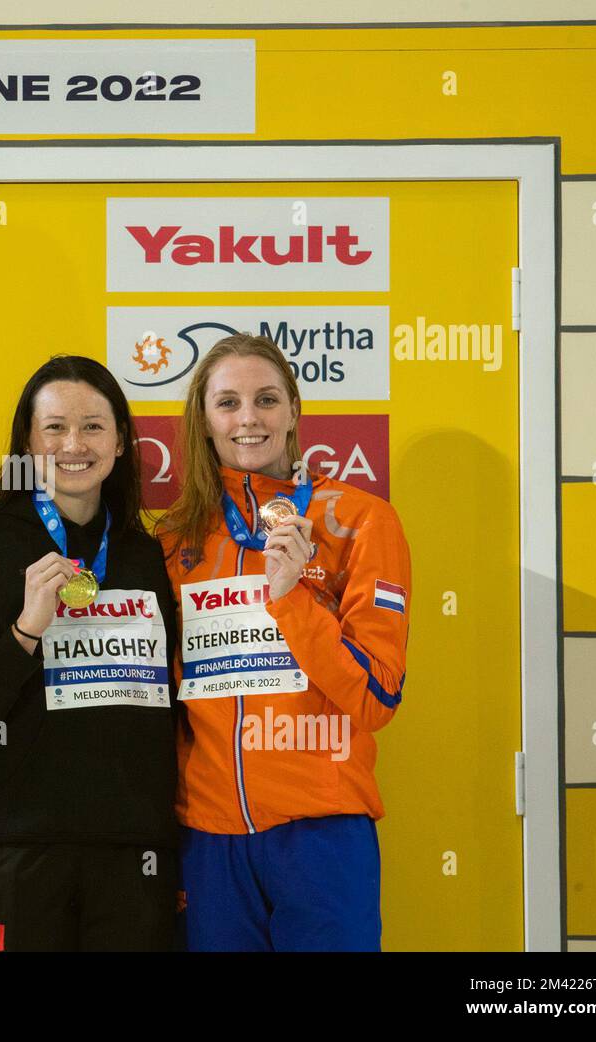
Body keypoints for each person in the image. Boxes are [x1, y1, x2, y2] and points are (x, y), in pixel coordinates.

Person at [156, 332, 411, 952]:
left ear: (294, 411)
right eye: (228, 403)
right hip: (209, 838)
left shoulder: (360, 519)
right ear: (204, 420)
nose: (249, 418)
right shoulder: (173, 538)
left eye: (267, 399)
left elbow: (377, 696)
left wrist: (291, 598)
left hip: (323, 833)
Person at [0, 355, 178, 952]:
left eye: (94, 426)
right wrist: (24, 633)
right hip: (18, 849)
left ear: (120, 442)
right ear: (28, 443)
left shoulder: (152, 556)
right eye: (55, 427)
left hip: (137, 853)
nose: (75, 444)